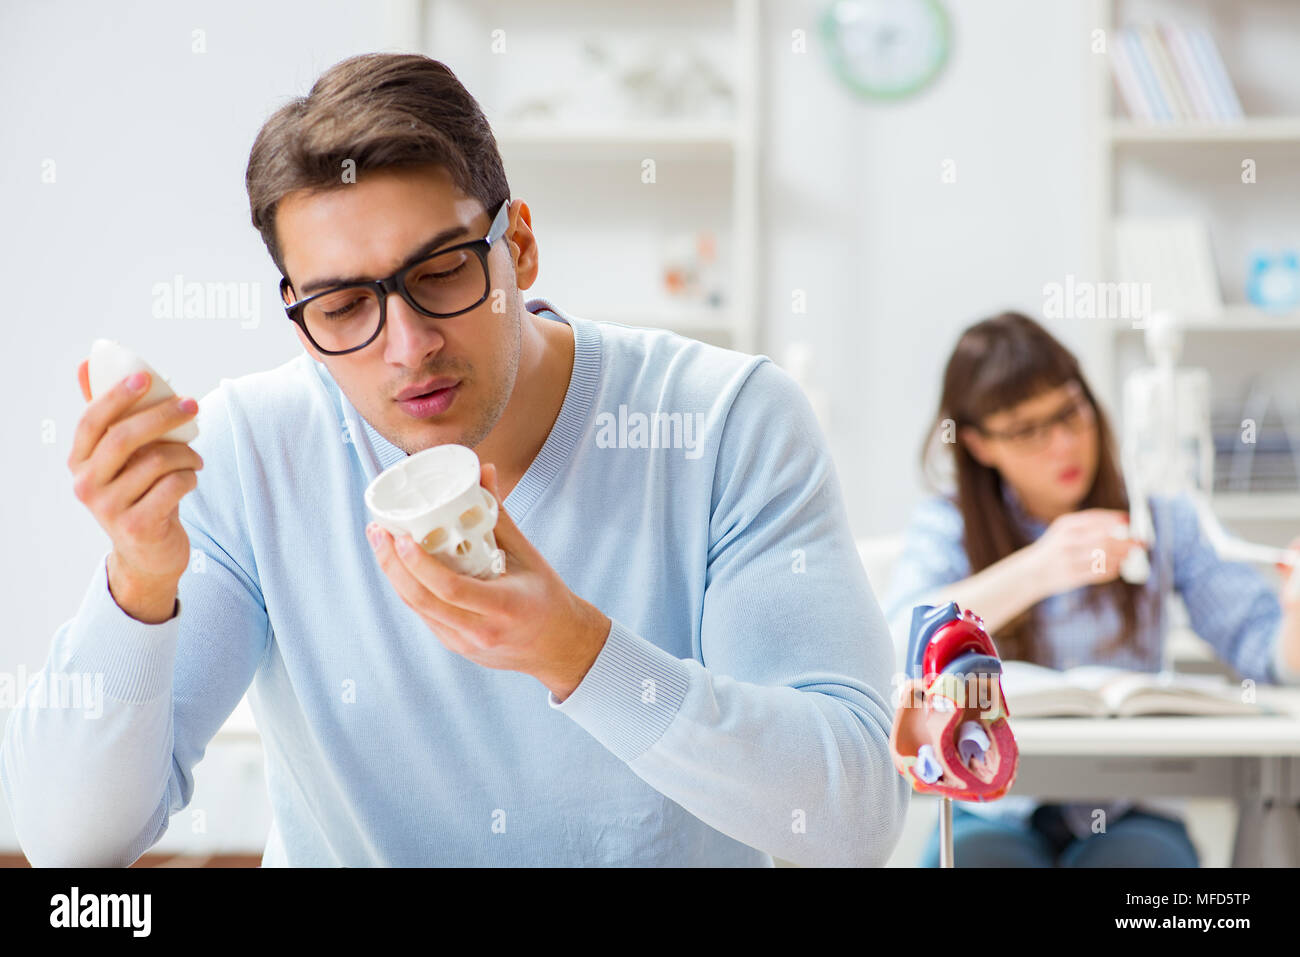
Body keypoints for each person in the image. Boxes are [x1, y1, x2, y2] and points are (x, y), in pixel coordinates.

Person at [0, 53, 908, 867]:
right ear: (298, 311)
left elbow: (852, 821)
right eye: (345, 305)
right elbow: (69, 842)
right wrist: (140, 580)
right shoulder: (251, 452)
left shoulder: (723, 423)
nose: (406, 345)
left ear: (517, 244)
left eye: (439, 273)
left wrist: (579, 655)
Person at [882, 311, 1300, 867]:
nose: (1063, 444)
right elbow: (896, 644)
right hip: (991, 800)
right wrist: (1039, 569)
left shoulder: (1160, 519)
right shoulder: (950, 524)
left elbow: (1263, 648)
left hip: (1130, 804)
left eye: (1070, 412)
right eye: (1028, 430)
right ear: (980, 444)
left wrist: (1294, 611)